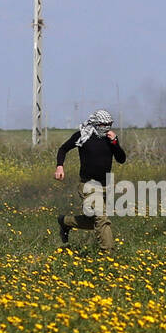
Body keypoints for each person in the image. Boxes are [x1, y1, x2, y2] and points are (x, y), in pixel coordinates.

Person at [54, 108, 126, 251]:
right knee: (102, 219)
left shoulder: (110, 139)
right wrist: (59, 166)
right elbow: (63, 149)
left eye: (109, 124)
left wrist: (115, 143)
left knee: (95, 221)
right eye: (104, 125)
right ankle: (108, 253)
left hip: (105, 186)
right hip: (88, 185)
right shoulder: (83, 136)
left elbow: (121, 159)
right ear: (96, 124)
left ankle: (65, 221)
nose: (107, 128)